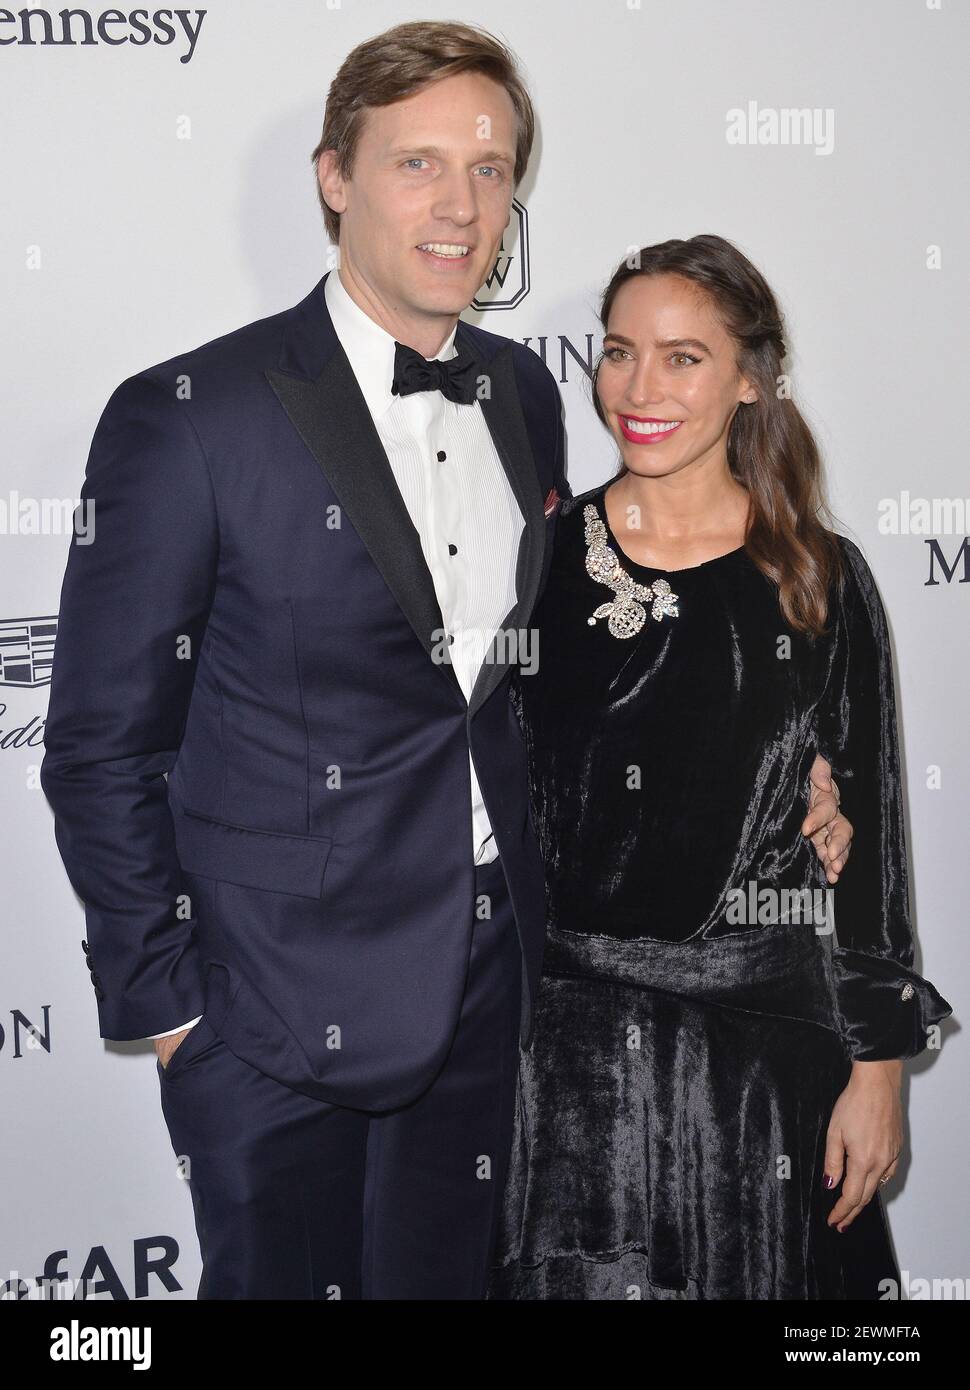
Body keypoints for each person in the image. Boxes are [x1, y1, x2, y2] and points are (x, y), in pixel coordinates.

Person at [39, 23, 852, 1301]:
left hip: (493, 992)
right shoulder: (190, 418)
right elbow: (99, 746)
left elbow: (543, 678)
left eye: (488, 169)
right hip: (271, 1015)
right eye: (419, 163)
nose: (461, 205)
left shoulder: (524, 391)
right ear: (333, 176)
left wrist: (769, 771)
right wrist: (180, 1016)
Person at [488, 235, 953, 1301]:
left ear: (750, 377)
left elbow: (870, 840)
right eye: (617, 351)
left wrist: (878, 1070)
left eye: (682, 357)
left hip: (763, 1068)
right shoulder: (537, 561)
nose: (638, 388)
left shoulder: (819, 577)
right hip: (563, 1067)